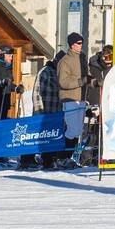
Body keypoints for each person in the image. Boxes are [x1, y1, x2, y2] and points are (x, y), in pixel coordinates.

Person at [56, 33, 86, 161]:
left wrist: (93, 82)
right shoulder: (65, 61)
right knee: (72, 130)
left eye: (81, 43)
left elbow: (85, 77)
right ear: (72, 45)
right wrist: (79, 82)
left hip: (81, 99)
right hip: (69, 99)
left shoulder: (82, 58)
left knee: (78, 130)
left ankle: (68, 157)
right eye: (79, 43)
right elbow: (62, 82)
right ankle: (61, 157)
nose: (81, 45)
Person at [29, 54, 62, 170]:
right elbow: (36, 92)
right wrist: (39, 110)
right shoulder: (45, 71)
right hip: (44, 111)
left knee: (51, 138)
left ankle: (48, 160)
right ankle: (27, 160)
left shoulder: (58, 72)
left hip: (55, 111)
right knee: (36, 137)